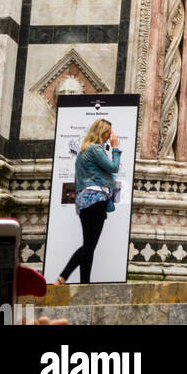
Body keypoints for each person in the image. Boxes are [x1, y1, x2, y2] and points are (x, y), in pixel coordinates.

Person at [56, 118, 120, 285]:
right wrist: (115, 147)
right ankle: (62, 277)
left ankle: (85, 284)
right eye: (108, 132)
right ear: (102, 132)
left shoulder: (83, 151)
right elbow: (114, 167)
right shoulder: (95, 149)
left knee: (88, 246)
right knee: (89, 247)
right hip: (96, 200)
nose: (110, 135)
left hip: (85, 202)